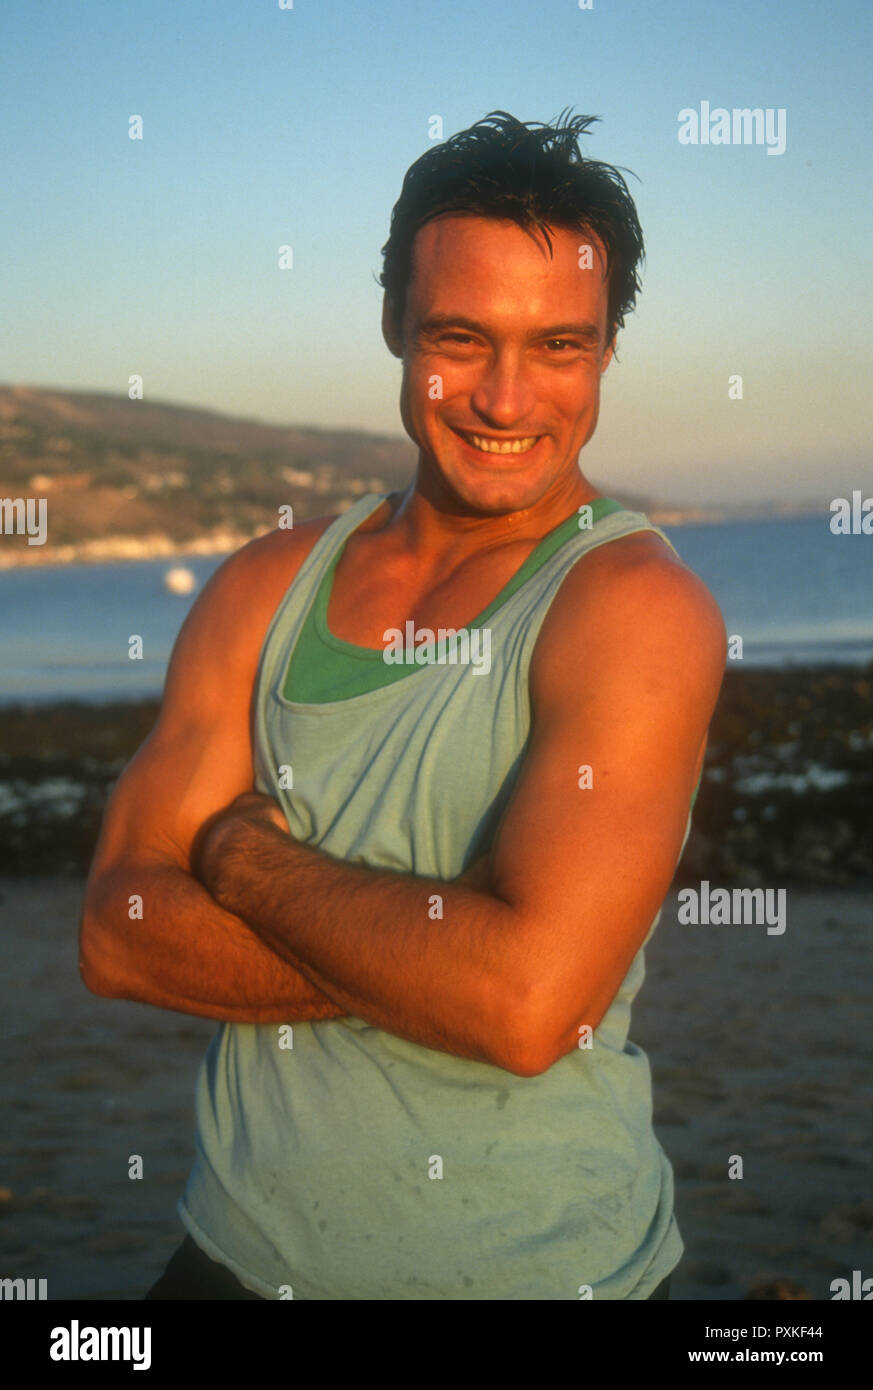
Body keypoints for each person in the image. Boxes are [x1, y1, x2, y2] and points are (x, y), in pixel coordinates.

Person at [79, 110, 726, 1300]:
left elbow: (527, 1008)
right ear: (393, 326)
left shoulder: (630, 607)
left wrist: (238, 858)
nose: (507, 397)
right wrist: (454, 945)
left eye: (561, 347)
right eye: (461, 338)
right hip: (235, 1255)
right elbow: (119, 928)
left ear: (608, 349)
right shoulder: (269, 584)